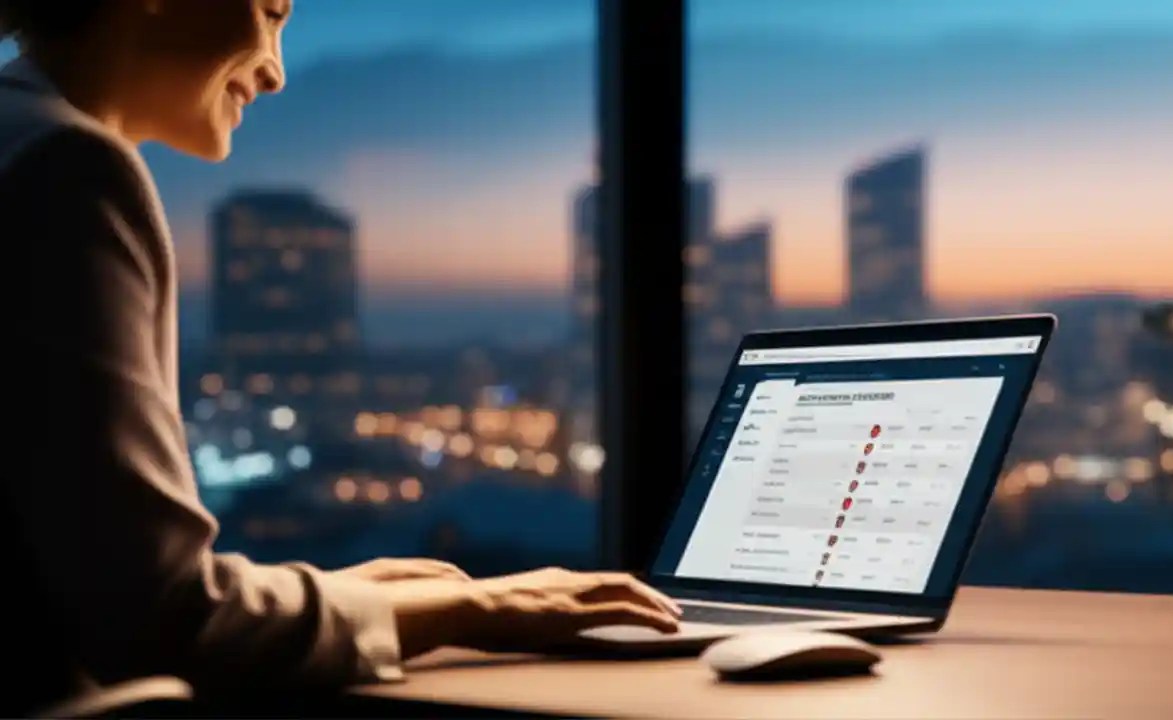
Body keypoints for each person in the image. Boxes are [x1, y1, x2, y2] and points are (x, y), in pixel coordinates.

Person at [0, 0, 679, 714]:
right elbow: (158, 617)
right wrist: (479, 608)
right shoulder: (66, 168)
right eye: (269, 11)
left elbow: (85, 576)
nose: (276, 72)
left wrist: (349, 596)